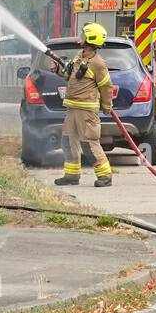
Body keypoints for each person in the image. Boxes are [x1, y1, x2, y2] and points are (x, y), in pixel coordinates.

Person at [54, 22, 114, 188]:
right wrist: (58, 70)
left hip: (86, 111)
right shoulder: (79, 56)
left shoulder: (98, 63)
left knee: (89, 143)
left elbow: (106, 86)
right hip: (72, 108)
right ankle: (71, 175)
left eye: (84, 35)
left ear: (91, 39)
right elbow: (69, 76)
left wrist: (107, 106)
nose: (80, 38)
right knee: (68, 142)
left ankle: (105, 176)